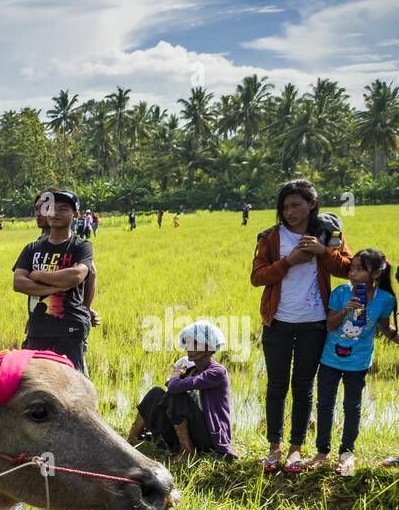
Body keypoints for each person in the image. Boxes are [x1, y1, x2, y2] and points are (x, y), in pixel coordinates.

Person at [250, 178, 353, 473]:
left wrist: (323, 251)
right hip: (278, 322)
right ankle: (274, 447)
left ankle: (295, 449)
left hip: (314, 323)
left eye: (296, 205)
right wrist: (290, 261)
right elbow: (257, 277)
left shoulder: (328, 233)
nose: (290, 212)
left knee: (304, 386)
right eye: (285, 207)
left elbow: (349, 269)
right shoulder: (270, 237)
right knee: (276, 385)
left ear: (312, 204)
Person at [309, 248, 396, 475]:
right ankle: (322, 452)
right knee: (324, 404)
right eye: (352, 268)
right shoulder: (341, 292)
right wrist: (346, 309)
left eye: (360, 269)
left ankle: (346, 453)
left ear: (376, 274)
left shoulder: (385, 299)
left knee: (352, 407)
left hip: (358, 363)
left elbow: (385, 328)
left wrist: (395, 337)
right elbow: (330, 325)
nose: (353, 274)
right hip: (330, 359)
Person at [12, 189, 94, 373]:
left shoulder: (81, 246)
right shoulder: (32, 248)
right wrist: (59, 286)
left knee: (73, 381)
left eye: (62, 209)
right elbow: (18, 283)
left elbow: (76, 276)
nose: (55, 213)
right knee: (36, 381)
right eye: (51, 208)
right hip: (38, 328)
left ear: (75, 215)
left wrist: (38, 275)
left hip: (70, 327)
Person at [129, 320, 235, 460]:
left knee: (177, 395)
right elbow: (171, 386)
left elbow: (174, 386)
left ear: (209, 348)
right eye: (188, 342)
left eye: (196, 343)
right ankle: (130, 439)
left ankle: (187, 451)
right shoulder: (192, 369)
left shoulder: (217, 372)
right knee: (155, 393)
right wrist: (176, 378)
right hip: (193, 431)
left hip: (210, 437)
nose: (189, 347)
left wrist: (175, 374)